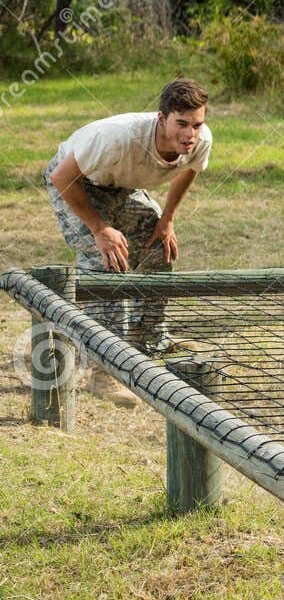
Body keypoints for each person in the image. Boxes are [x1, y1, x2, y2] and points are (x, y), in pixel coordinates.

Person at [44, 78, 212, 405]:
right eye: (181, 124)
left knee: (158, 250)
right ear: (161, 119)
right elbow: (61, 177)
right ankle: (102, 371)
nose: (190, 134)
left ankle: (147, 342)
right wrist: (98, 228)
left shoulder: (200, 140)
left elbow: (189, 169)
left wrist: (168, 219)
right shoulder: (117, 138)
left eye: (196, 124)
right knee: (108, 264)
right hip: (79, 184)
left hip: (123, 185)